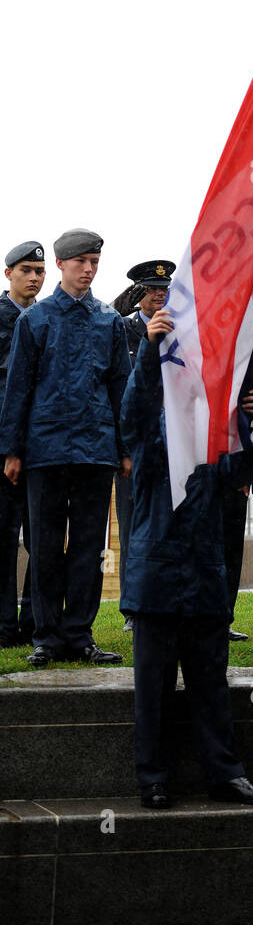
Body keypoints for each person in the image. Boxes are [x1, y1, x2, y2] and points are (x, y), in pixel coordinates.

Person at [120, 306, 253, 808]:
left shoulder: (215, 443)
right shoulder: (149, 441)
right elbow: (132, 414)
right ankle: (153, 778)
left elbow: (252, 463)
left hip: (205, 580)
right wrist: (149, 350)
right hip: (157, 581)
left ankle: (225, 775)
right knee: (154, 690)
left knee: (212, 687)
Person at [0, 229, 131, 667]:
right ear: (61, 265)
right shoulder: (34, 321)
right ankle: (46, 637)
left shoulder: (109, 321)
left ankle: (80, 634)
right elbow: (17, 388)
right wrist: (12, 450)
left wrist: (126, 448)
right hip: (46, 451)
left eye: (94, 262)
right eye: (81, 262)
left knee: (90, 547)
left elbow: (121, 391)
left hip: (95, 451)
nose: (89, 270)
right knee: (45, 547)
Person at [112, 259, 176, 634]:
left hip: (177, 445)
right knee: (134, 526)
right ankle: (132, 611)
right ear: (138, 293)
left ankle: (172, 602)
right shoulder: (122, 330)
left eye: (164, 289)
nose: (159, 294)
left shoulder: (180, 332)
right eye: (151, 288)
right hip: (137, 447)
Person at [0, 241, 46, 647]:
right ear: (8, 273)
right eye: (26, 270)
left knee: (42, 542)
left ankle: (33, 622)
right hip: (2, 449)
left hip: (41, 448)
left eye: (39, 271)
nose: (33, 278)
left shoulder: (47, 319)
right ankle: (3, 627)